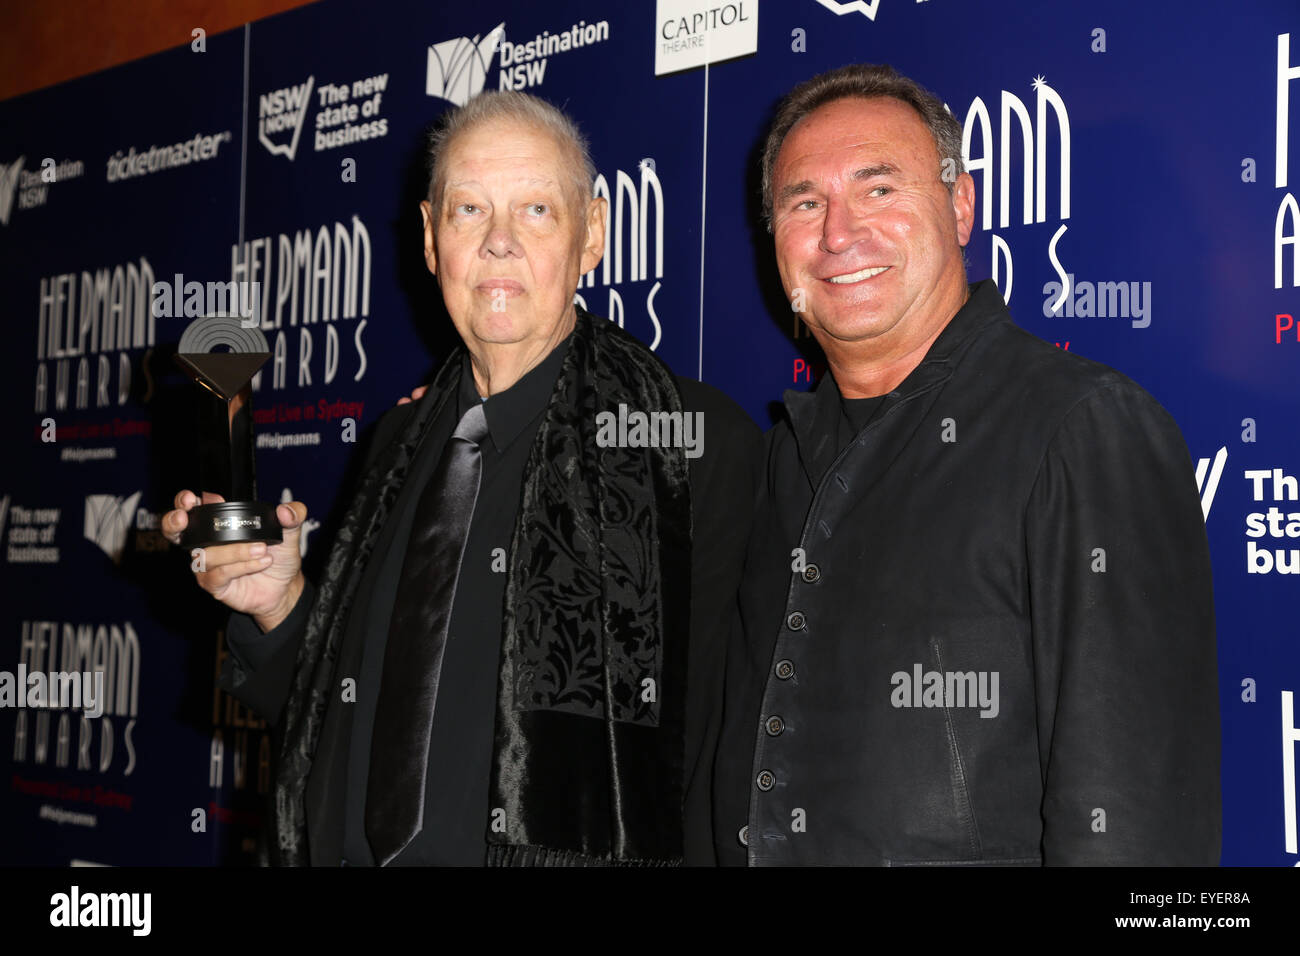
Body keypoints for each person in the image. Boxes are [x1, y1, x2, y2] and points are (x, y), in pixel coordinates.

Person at [164, 90, 759, 866]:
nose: (500, 243)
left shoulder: (692, 448)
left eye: (538, 211)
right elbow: (337, 726)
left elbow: (728, 758)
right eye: (469, 210)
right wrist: (279, 608)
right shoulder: (398, 445)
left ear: (594, 234)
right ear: (429, 239)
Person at [713, 64, 1220, 866]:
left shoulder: (1083, 429)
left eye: (880, 190)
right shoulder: (783, 460)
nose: (839, 234)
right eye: (805, 203)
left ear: (960, 206)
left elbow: (1137, 823)